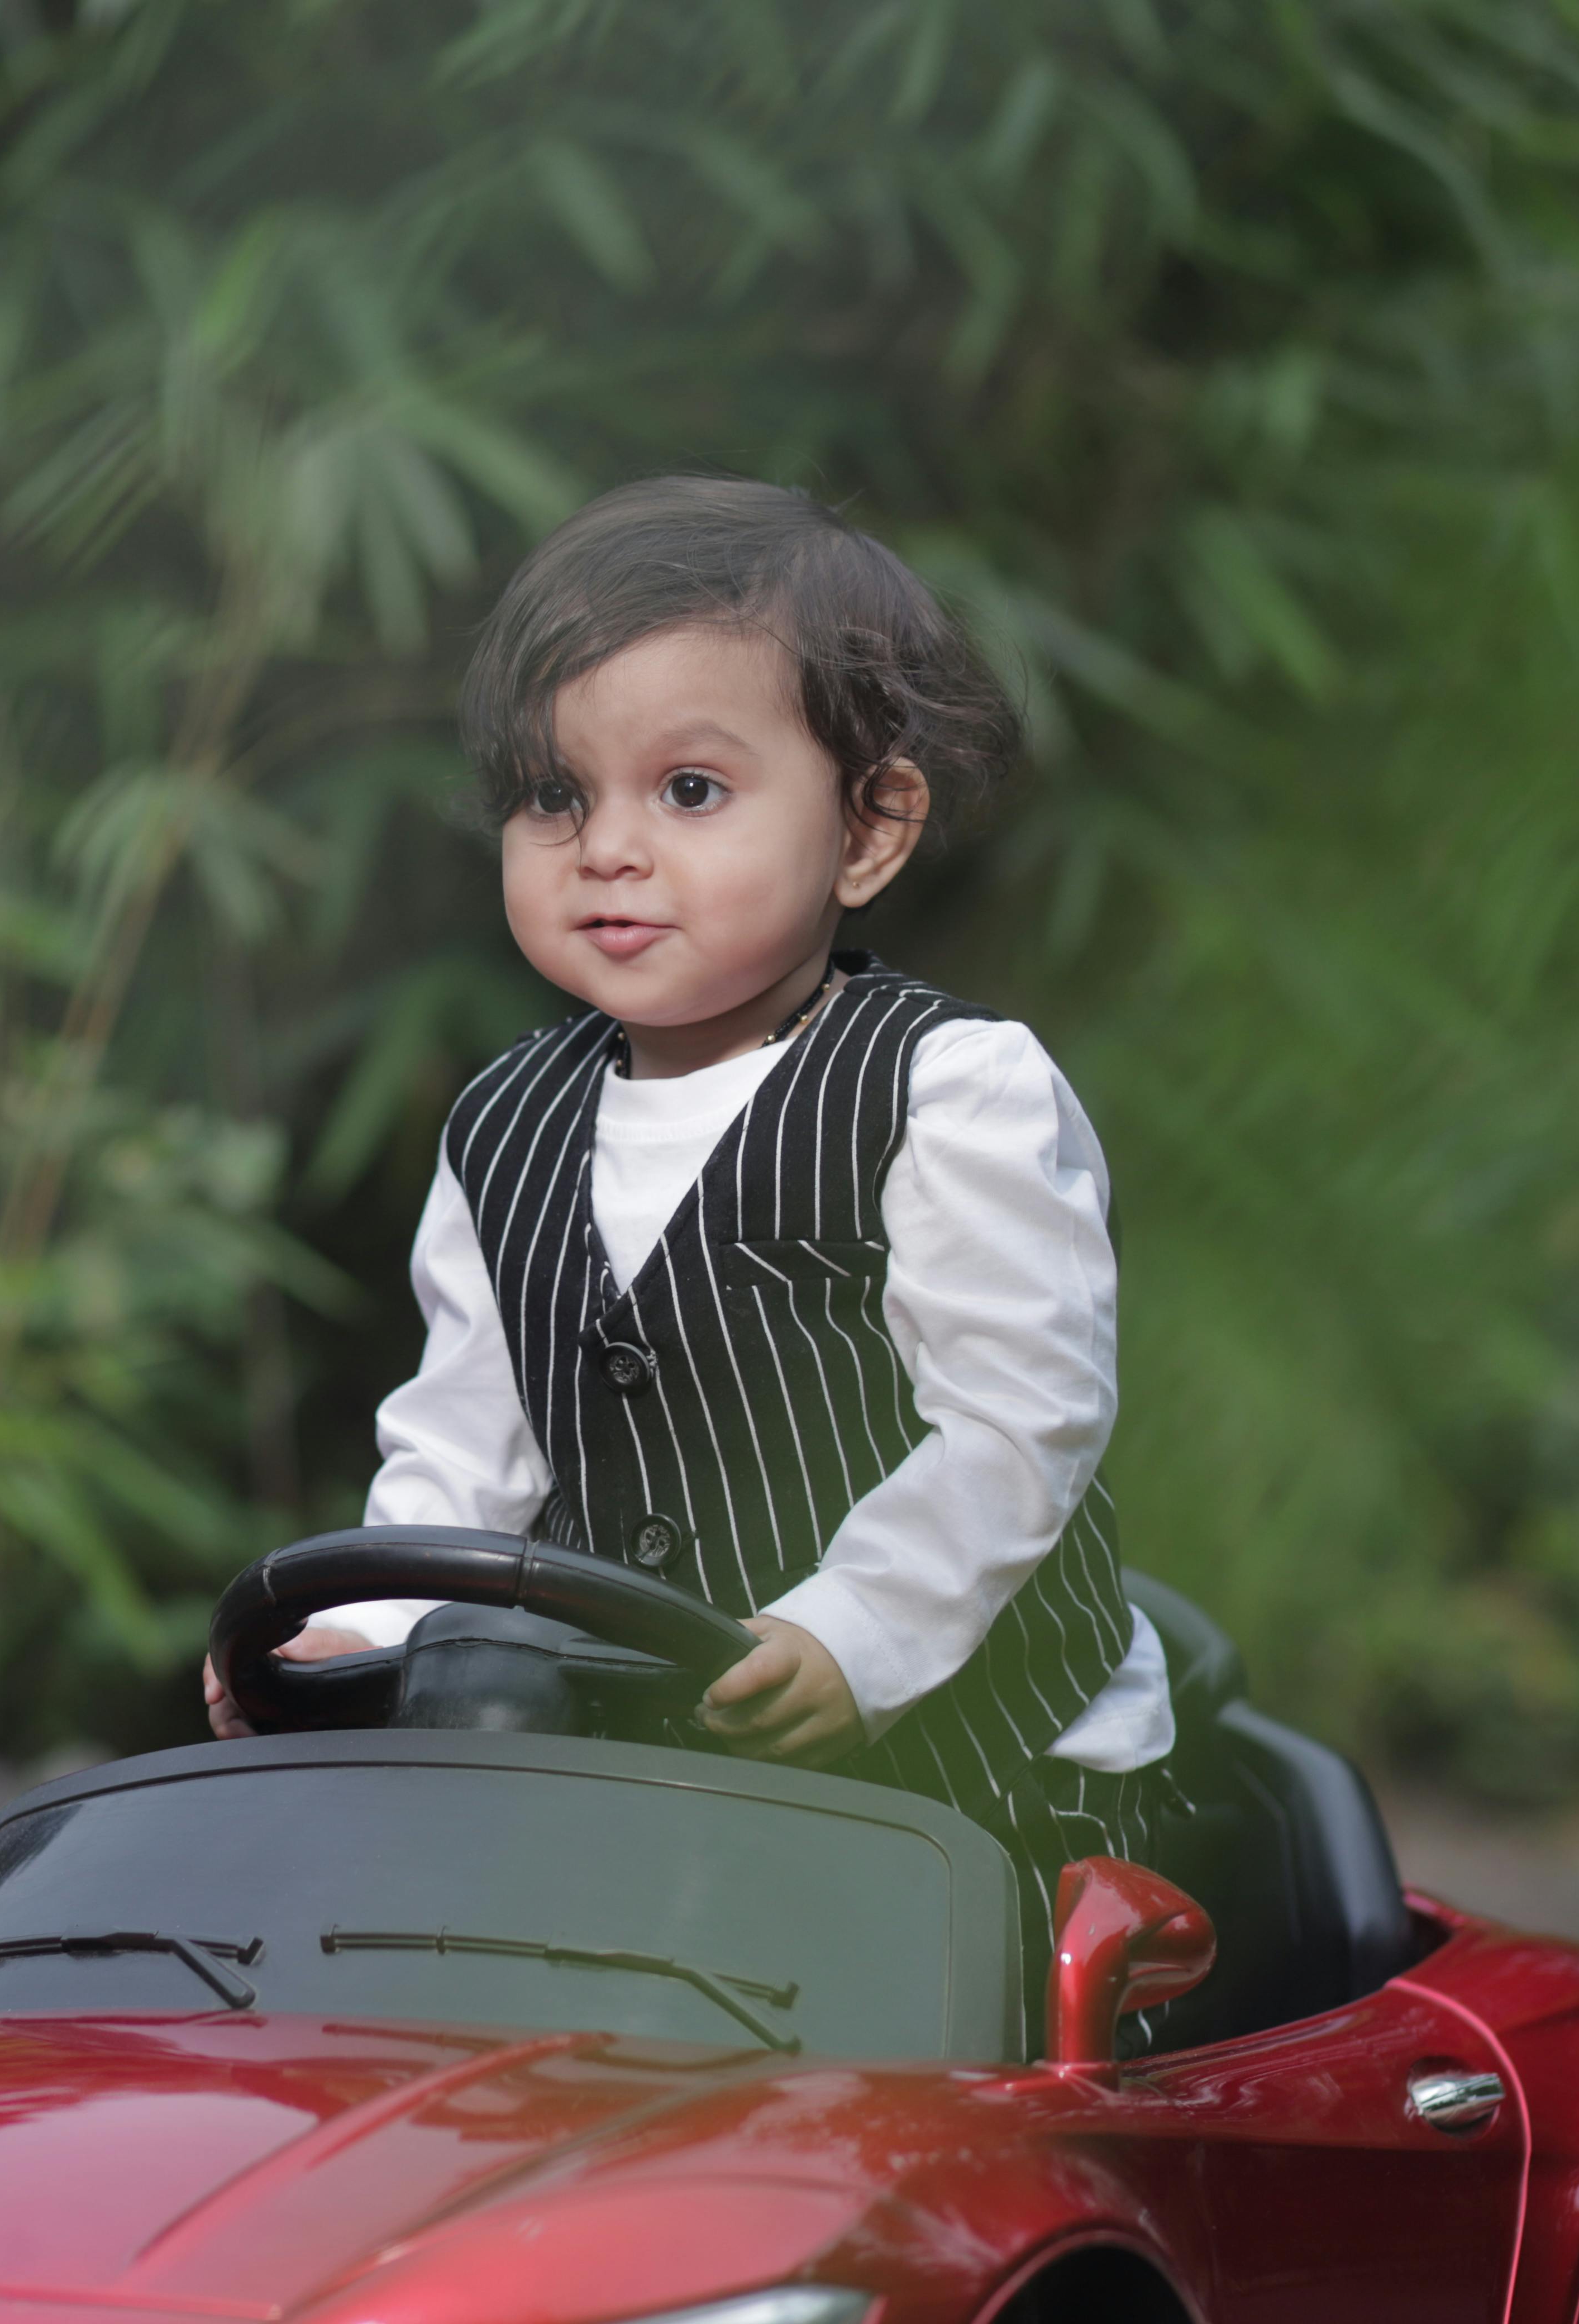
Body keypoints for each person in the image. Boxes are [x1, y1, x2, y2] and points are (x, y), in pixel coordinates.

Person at [204, 474, 1180, 1945]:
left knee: (895, 1990)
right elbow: (465, 1448)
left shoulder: (948, 1092)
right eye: (555, 796)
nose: (609, 848)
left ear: (869, 830)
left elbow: (1017, 1423)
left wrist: (857, 1634)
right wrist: (369, 1636)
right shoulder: (505, 1124)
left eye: (691, 792)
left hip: (978, 1763)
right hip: (647, 1766)